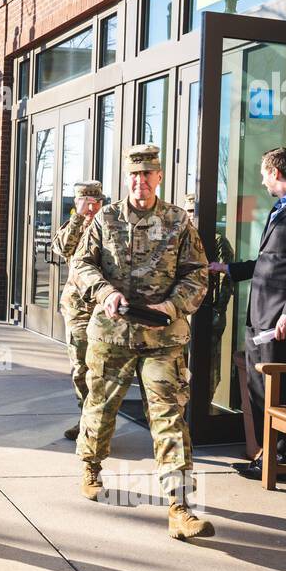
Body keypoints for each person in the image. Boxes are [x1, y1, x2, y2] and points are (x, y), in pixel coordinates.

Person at [72, 143, 213, 540]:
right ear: (127, 177)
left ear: (160, 176)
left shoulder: (178, 221)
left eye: (148, 173)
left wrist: (173, 304)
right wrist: (104, 293)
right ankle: (91, 465)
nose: (141, 181)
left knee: (169, 417)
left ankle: (179, 506)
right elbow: (82, 265)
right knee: (100, 406)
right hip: (112, 333)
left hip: (162, 336)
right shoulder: (106, 219)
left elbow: (197, 274)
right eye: (135, 174)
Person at [208, 147, 286, 480]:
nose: (262, 182)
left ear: (275, 172)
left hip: (282, 323)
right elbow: (271, 262)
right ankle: (266, 456)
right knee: (259, 392)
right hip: (261, 317)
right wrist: (229, 268)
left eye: (264, 174)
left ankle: (282, 460)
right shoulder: (281, 209)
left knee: (280, 393)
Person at [50, 180, 105, 441]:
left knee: (102, 370)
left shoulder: (110, 225)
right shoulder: (74, 225)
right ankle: (86, 423)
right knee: (80, 368)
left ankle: (99, 426)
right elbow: (61, 248)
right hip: (78, 310)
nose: (92, 207)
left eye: (96, 202)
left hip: (105, 310)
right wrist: (78, 218)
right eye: (86, 202)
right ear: (77, 203)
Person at [184, 192, 234, 399]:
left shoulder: (217, 241)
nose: (191, 216)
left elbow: (227, 278)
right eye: (188, 211)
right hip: (181, 313)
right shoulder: (178, 238)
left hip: (208, 311)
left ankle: (203, 406)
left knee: (209, 367)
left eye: (195, 211)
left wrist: (218, 309)